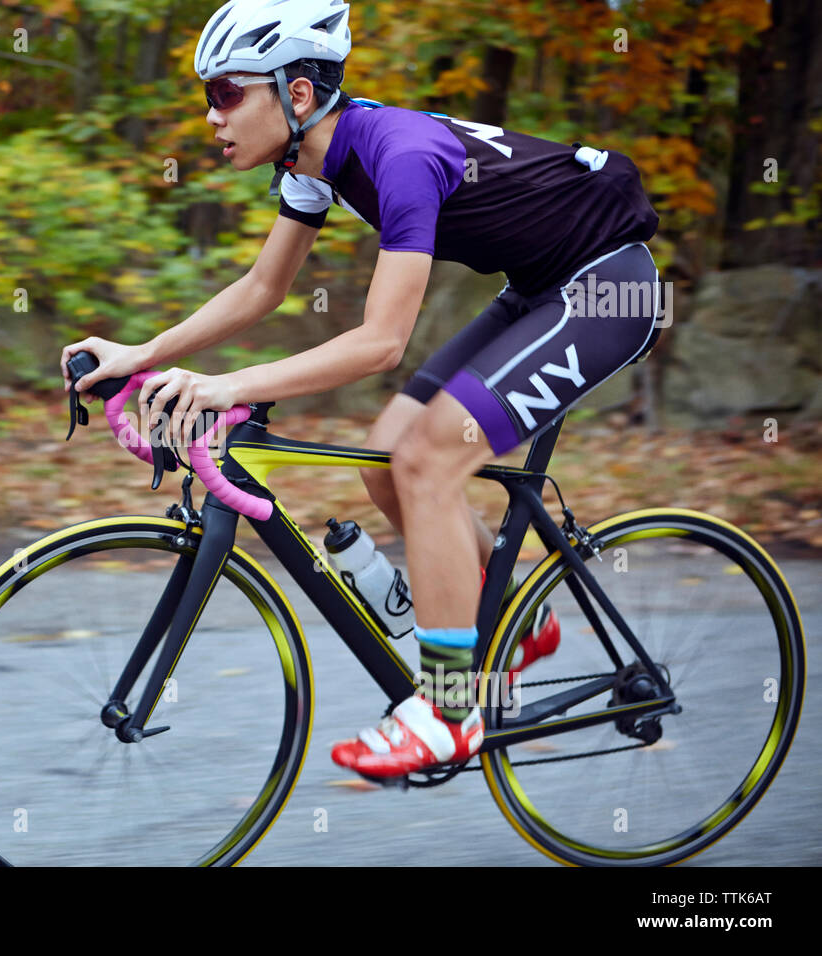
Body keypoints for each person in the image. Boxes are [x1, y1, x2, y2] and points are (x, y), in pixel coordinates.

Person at [59, 0, 662, 779]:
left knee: (427, 462)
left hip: (607, 287)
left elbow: (382, 342)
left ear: (298, 94)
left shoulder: (398, 156)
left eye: (226, 93)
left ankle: (449, 708)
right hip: (540, 286)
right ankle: (521, 622)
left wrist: (227, 384)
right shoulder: (314, 163)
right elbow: (262, 287)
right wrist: (140, 352)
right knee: (383, 463)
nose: (212, 116)